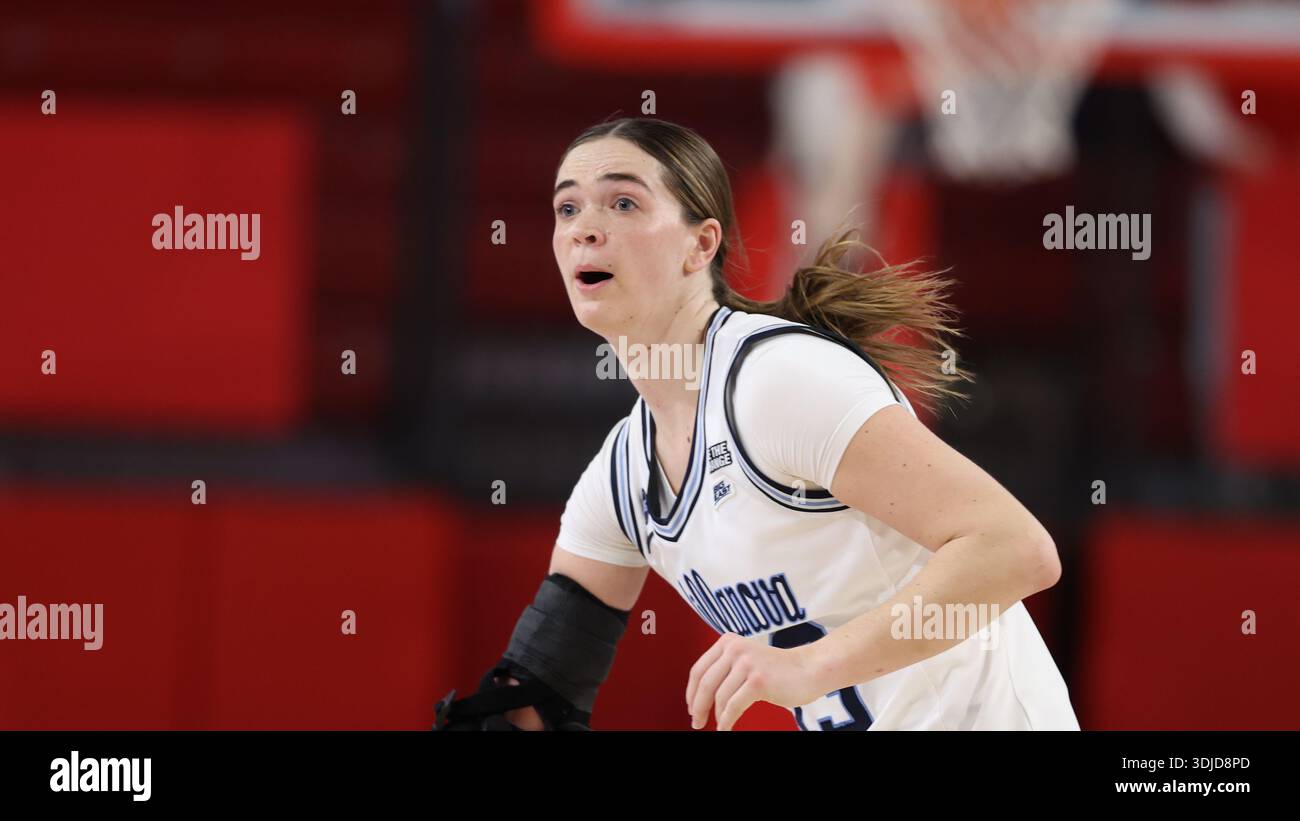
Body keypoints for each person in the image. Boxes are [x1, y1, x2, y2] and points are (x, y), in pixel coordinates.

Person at [433, 116, 1079, 732]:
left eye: (623, 203)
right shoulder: (622, 474)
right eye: (568, 208)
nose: (585, 229)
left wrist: (810, 667)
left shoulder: (776, 380)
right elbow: (542, 684)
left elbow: (1016, 548)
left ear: (701, 243)